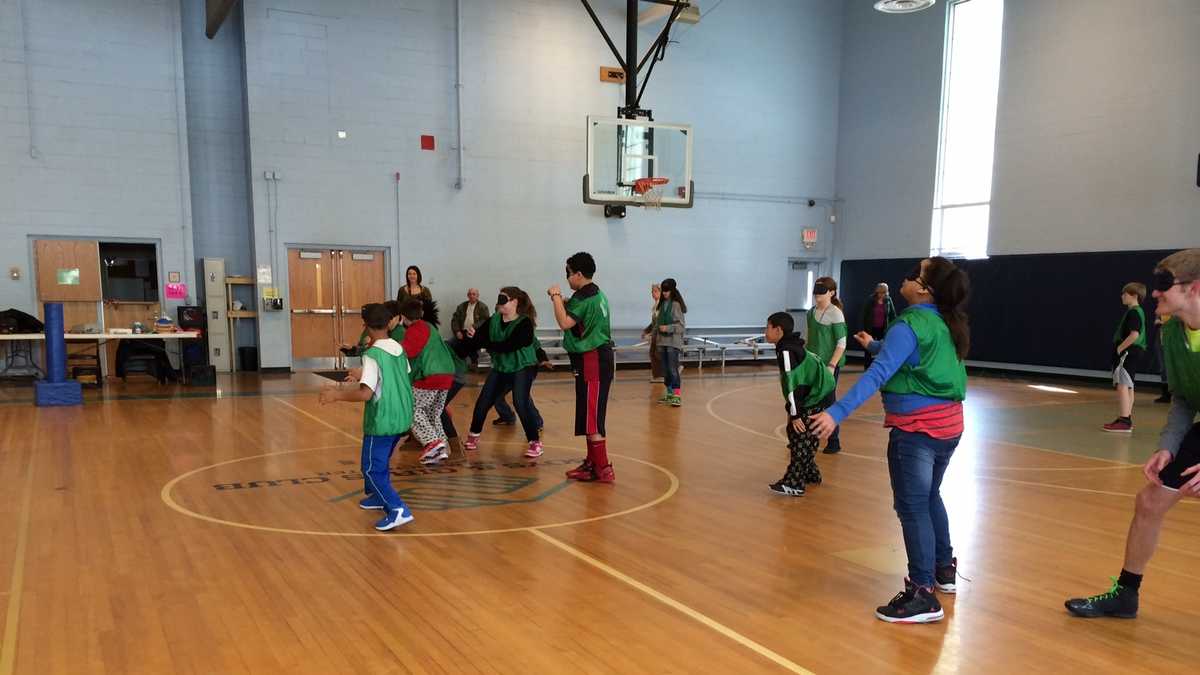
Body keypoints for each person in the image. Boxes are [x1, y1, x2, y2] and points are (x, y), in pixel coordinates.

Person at [808, 257, 970, 623]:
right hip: (949, 426)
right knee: (930, 496)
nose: (906, 278)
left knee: (912, 507)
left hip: (917, 430)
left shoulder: (909, 324)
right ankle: (943, 568)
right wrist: (876, 345)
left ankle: (922, 593)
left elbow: (878, 375)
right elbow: (910, 355)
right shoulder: (946, 320)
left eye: (914, 274)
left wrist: (836, 413)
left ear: (924, 288)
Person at [1064, 250, 1200, 619]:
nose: (1154, 293)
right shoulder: (1173, 332)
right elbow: (1184, 398)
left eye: (1164, 285)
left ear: (1194, 288)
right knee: (1149, 502)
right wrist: (1168, 447)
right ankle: (1126, 595)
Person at [318, 303, 415, 531]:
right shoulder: (398, 348)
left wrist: (336, 395)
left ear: (366, 326)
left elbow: (365, 393)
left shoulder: (371, 354)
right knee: (381, 461)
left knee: (371, 468)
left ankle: (397, 509)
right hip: (402, 414)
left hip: (381, 419)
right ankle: (378, 496)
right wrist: (365, 373)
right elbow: (397, 374)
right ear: (389, 323)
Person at [549, 252, 615, 483]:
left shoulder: (584, 298)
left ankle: (603, 468)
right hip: (593, 358)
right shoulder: (596, 293)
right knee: (588, 414)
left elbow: (564, 322)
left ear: (578, 274)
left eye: (568, 273)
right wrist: (565, 302)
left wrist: (556, 297)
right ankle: (592, 463)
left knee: (592, 417)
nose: (567, 278)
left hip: (592, 359)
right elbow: (581, 318)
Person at [459, 287, 544, 459]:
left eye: (504, 299)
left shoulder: (525, 323)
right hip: (501, 367)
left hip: (523, 367)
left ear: (515, 302)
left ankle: (535, 442)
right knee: (484, 401)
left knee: (520, 402)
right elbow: (479, 339)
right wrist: (471, 337)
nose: (500, 303)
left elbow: (509, 345)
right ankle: (474, 435)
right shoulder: (494, 320)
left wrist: (485, 342)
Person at [764, 311, 835, 496]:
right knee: (806, 436)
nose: (765, 331)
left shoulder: (786, 351)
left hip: (816, 394)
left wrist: (795, 414)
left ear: (778, 330)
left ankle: (794, 483)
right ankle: (811, 474)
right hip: (819, 392)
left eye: (768, 327)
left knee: (799, 436)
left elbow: (792, 384)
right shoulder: (789, 346)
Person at [396, 299, 457, 466]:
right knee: (433, 413)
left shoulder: (416, 329)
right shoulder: (429, 326)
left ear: (402, 317)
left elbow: (409, 351)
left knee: (410, 409)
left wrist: (396, 347)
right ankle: (441, 446)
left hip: (430, 375)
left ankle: (432, 443)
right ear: (421, 313)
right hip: (445, 374)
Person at [807, 276, 848, 454]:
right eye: (816, 291)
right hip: (812, 363)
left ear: (831, 293)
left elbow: (841, 343)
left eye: (822, 291)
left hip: (829, 365)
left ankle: (834, 440)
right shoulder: (810, 313)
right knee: (810, 399)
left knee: (828, 401)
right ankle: (809, 437)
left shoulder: (836, 313)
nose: (817, 295)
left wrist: (831, 365)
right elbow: (810, 338)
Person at [1103, 282, 1147, 433]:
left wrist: (1120, 348)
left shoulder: (1133, 312)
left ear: (1134, 295)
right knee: (1129, 386)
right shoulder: (1139, 311)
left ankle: (1124, 420)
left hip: (1128, 352)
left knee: (1122, 384)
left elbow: (1134, 334)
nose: (1122, 296)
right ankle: (1126, 417)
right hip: (1134, 352)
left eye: (1125, 294)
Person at [653, 278, 687, 407]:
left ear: (672, 291)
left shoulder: (676, 305)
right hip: (661, 342)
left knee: (673, 369)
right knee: (665, 370)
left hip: (672, 342)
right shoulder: (661, 305)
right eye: (664, 291)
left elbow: (681, 326)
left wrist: (668, 328)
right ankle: (669, 393)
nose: (665, 293)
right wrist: (652, 334)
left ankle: (677, 394)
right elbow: (657, 323)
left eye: (667, 291)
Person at [860, 283, 897, 368]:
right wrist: (862, 328)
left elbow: (893, 314)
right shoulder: (870, 299)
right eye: (881, 292)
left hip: (883, 328)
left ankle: (879, 366)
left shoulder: (888, 300)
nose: (883, 294)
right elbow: (864, 314)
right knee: (868, 347)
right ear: (877, 292)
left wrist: (895, 325)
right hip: (871, 328)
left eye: (884, 292)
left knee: (883, 348)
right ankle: (867, 366)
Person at [451, 288, 490, 369]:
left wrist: (474, 326)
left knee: (475, 344)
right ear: (467, 295)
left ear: (477, 296)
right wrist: (457, 331)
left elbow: (485, 320)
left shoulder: (483, 307)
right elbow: (455, 320)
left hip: (476, 332)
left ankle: (477, 364)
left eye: (474, 294)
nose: (471, 296)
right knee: (452, 343)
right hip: (463, 332)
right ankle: (462, 364)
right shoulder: (461, 306)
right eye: (470, 294)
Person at [645, 283, 664, 383]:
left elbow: (660, 322)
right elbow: (653, 322)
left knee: (657, 354)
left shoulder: (662, 305)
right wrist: (646, 331)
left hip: (660, 335)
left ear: (661, 292)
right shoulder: (655, 306)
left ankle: (662, 375)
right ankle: (657, 375)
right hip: (655, 334)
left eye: (655, 291)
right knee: (653, 353)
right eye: (652, 291)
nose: (653, 293)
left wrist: (651, 333)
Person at [1154, 309, 1173, 404]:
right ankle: (1166, 394)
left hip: (1173, 342)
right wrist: (1158, 322)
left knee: (1173, 368)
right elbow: (1156, 321)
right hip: (1161, 341)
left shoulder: (1178, 308)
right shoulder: (1161, 309)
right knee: (1163, 368)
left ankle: (1177, 395)